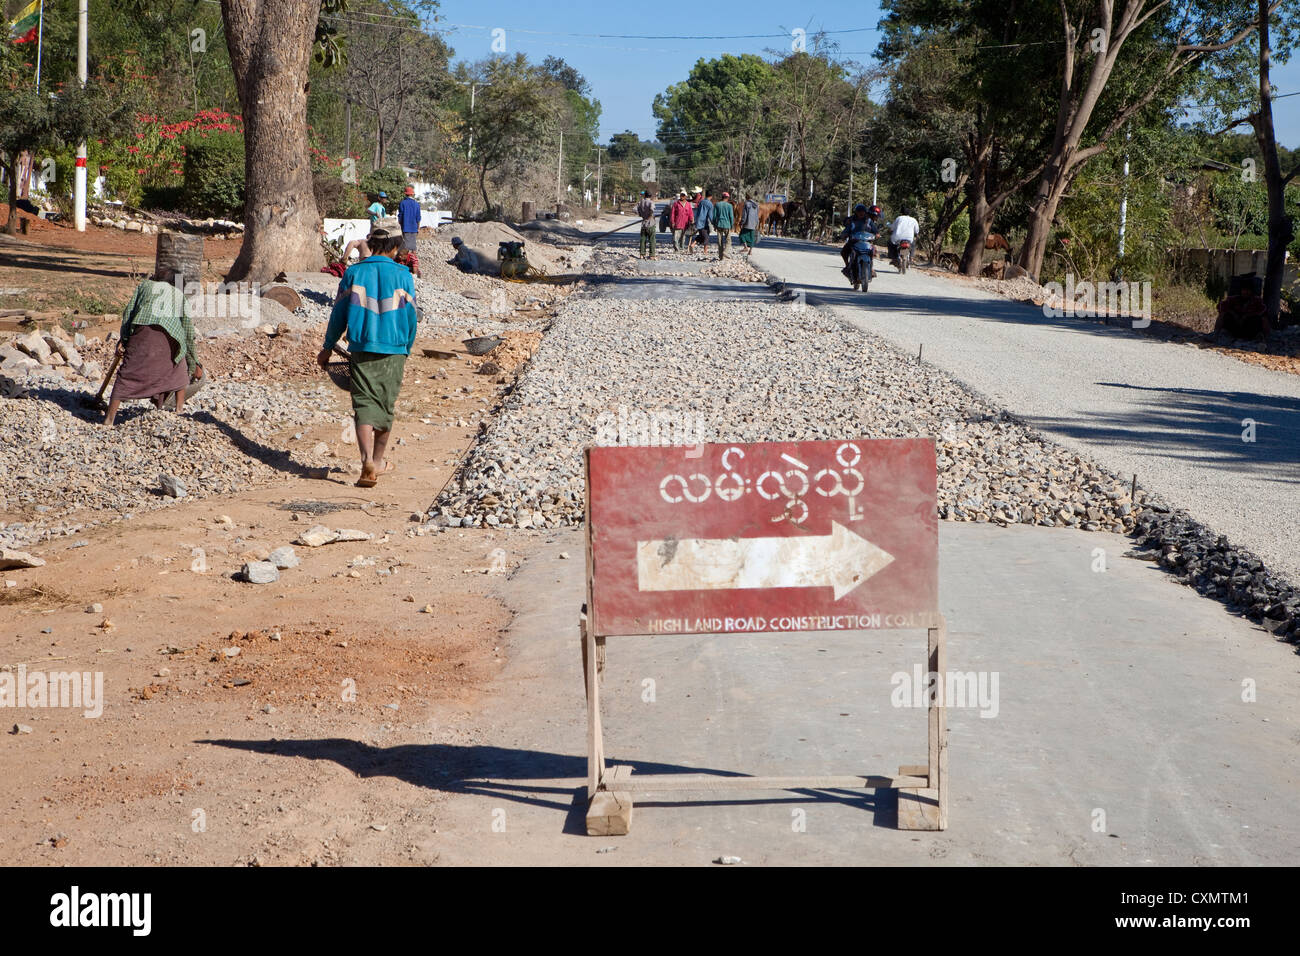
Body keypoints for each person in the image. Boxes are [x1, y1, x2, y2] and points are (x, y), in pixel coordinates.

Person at [317, 226, 419, 488]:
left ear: (370, 244)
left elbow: (338, 315)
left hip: (361, 347)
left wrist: (328, 347)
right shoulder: (404, 275)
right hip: (394, 349)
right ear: (396, 247)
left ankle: (366, 462)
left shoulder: (354, 272)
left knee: (363, 405)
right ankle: (379, 459)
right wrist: (406, 348)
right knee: (385, 407)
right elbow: (410, 319)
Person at [104, 268, 203, 426]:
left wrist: (124, 338)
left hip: (143, 332)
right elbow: (187, 332)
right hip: (172, 337)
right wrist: (194, 362)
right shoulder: (179, 296)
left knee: (128, 373)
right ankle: (179, 410)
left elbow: (128, 313)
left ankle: (109, 419)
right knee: (179, 369)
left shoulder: (145, 286)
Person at [837, 203, 880, 289]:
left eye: (863, 212)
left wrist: (877, 234)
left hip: (866, 242)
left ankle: (871, 268)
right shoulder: (851, 221)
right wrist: (843, 235)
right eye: (859, 211)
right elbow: (846, 230)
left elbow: (875, 230)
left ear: (865, 212)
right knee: (844, 252)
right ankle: (847, 266)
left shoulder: (868, 221)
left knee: (873, 251)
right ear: (856, 212)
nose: (861, 213)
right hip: (854, 242)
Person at [397, 185, 421, 253]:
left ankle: (406, 261)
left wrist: (399, 224)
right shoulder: (416, 204)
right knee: (413, 246)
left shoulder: (402, 203)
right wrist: (418, 228)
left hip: (405, 227)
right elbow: (418, 217)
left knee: (406, 246)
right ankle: (414, 261)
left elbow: (400, 216)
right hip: (414, 228)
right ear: (412, 194)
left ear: (405, 194)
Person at [712, 191, 736, 259]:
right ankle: (726, 251)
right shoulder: (729, 206)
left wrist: (714, 225)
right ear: (727, 198)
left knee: (720, 241)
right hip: (727, 224)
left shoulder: (717, 205)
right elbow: (731, 216)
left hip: (719, 224)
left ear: (722, 197)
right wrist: (732, 225)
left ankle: (721, 256)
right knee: (728, 240)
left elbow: (714, 216)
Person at [636, 190, 657, 259]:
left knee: (643, 239)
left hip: (643, 224)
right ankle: (652, 255)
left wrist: (640, 214)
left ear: (645, 195)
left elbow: (634, 209)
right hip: (651, 223)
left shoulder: (640, 202)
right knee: (652, 239)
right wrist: (650, 216)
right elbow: (652, 209)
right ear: (650, 196)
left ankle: (642, 254)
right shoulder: (651, 202)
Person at [694, 189, 714, 254]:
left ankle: (693, 244)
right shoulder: (710, 204)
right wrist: (714, 223)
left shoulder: (701, 202)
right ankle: (705, 251)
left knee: (702, 235)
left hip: (698, 221)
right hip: (704, 222)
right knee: (706, 237)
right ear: (711, 196)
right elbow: (710, 215)